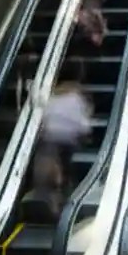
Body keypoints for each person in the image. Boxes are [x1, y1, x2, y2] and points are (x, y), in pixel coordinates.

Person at [34, 83, 93, 216]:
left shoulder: (52, 99)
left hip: (51, 139)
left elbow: (44, 121)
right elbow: (83, 126)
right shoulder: (76, 99)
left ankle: (54, 185)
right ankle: (65, 182)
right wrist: (87, 135)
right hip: (68, 141)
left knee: (51, 153)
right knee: (67, 162)